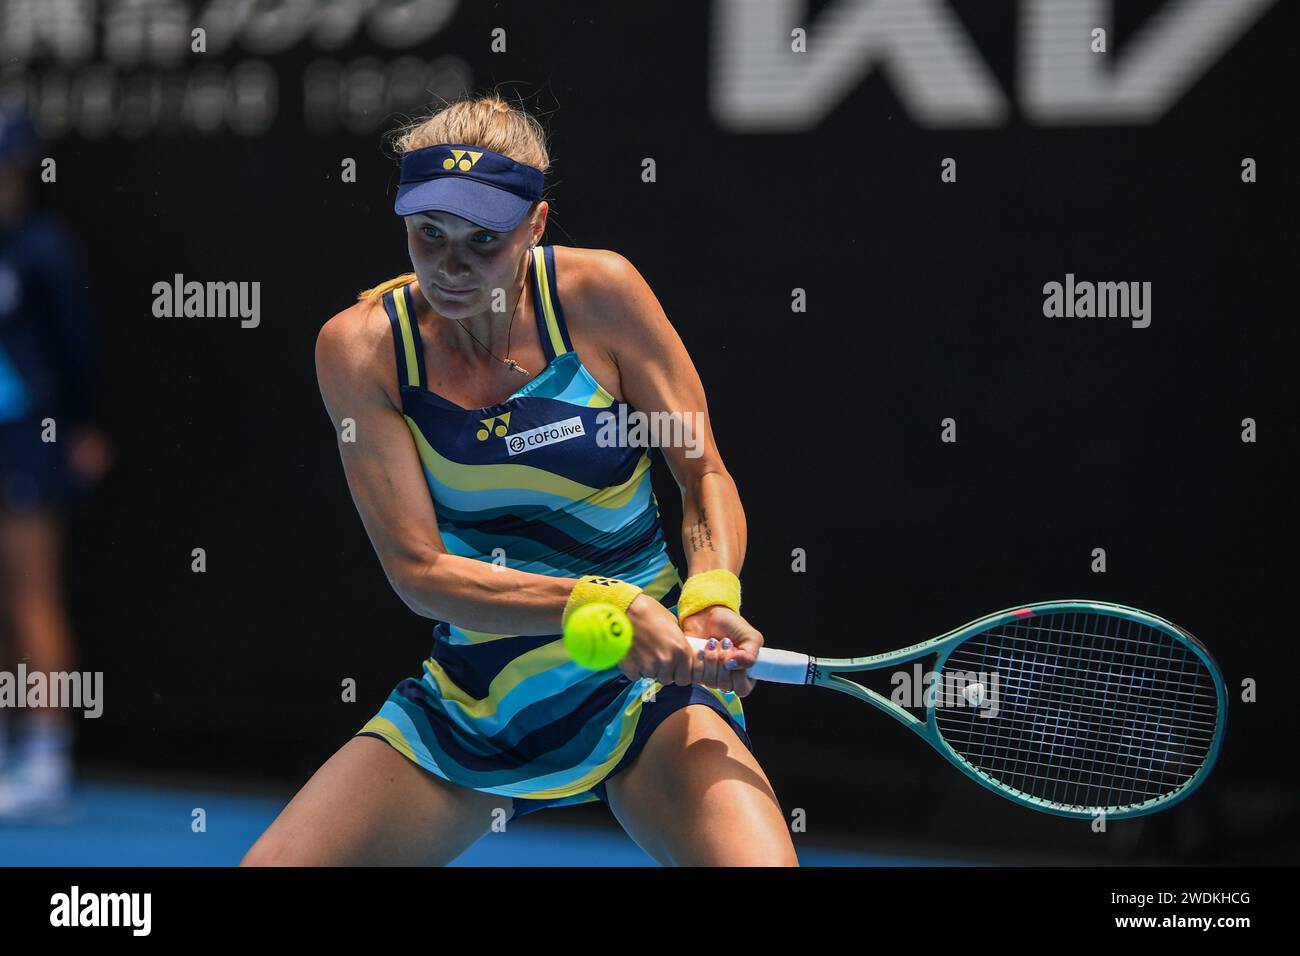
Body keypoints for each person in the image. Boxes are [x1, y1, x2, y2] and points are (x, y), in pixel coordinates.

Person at [242, 95, 797, 866]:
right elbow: (419, 573)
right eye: (428, 235)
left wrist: (710, 594)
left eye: (484, 240)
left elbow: (701, 470)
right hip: (479, 696)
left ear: (536, 226)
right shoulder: (362, 349)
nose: (451, 267)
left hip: (647, 694)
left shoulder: (601, 295)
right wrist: (596, 604)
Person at [0, 105, 110, 818]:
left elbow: (77, 353)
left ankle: (46, 755)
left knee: (31, 592)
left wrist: (78, 427)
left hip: (27, 441)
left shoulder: (42, 248)